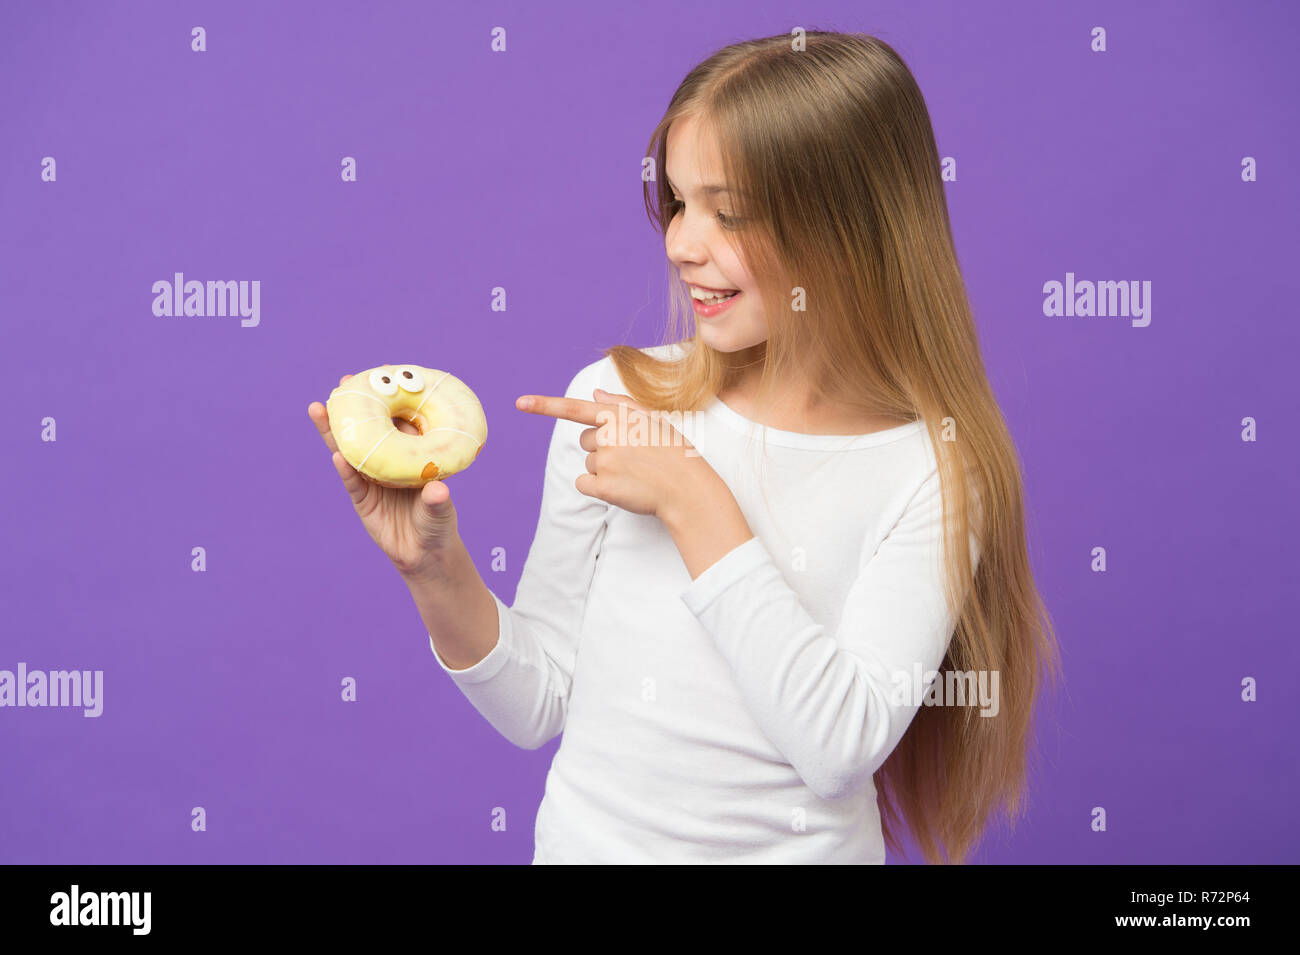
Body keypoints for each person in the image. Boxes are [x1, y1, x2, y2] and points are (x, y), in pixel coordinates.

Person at [307, 31, 1060, 864]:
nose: (680, 243)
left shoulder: (934, 471)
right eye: (676, 202)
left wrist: (694, 497)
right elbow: (539, 700)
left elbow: (839, 743)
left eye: (728, 211)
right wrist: (435, 571)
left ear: (854, 227)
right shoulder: (615, 400)